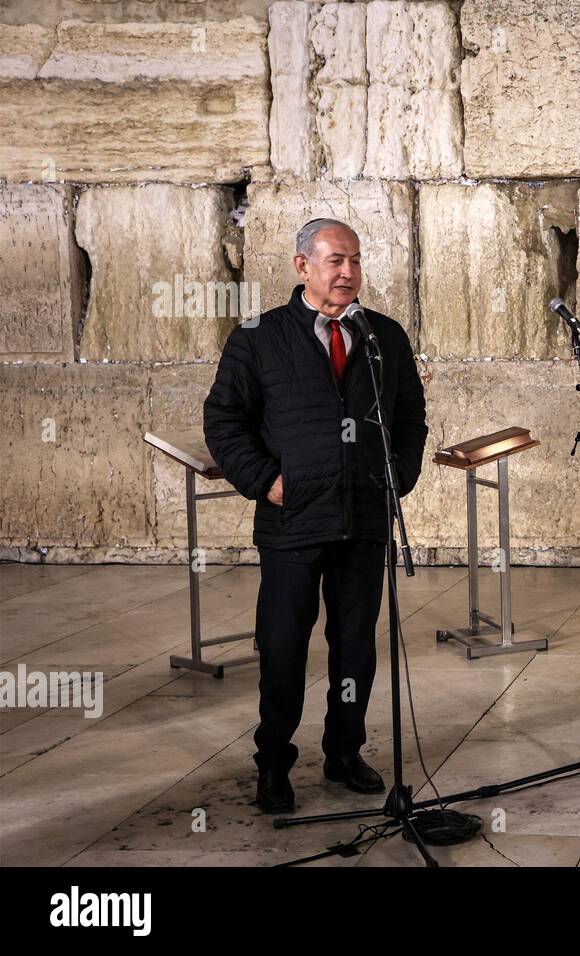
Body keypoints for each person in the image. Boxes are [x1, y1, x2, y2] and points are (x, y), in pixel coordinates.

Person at [204, 218, 429, 813]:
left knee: (354, 645)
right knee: (283, 646)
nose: (348, 273)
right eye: (335, 261)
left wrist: (397, 475)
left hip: (362, 519)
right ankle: (273, 762)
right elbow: (224, 420)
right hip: (292, 523)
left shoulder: (383, 336)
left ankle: (344, 750)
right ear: (303, 267)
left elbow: (411, 416)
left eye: (354, 260)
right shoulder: (258, 337)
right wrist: (266, 482)